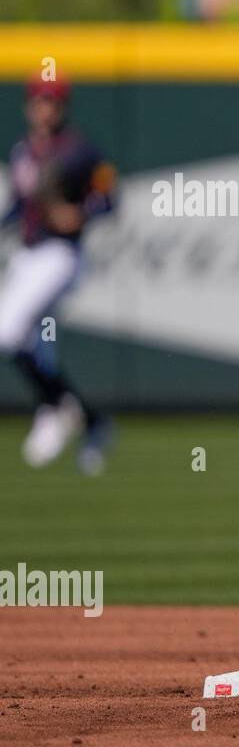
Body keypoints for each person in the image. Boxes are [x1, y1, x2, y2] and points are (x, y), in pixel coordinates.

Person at [0, 76, 116, 474]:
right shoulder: (23, 151)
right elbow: (18, 206)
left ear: (61, 106)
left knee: (9, 329)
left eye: (51, 100)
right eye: (39, 100)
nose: (44, 107)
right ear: (30, 105)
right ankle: (90, 421)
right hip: (27, 254)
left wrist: (80, 213)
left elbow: (108, 197)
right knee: (35, 348)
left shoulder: (79, 149)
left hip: (60, 254)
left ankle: (53, 409)